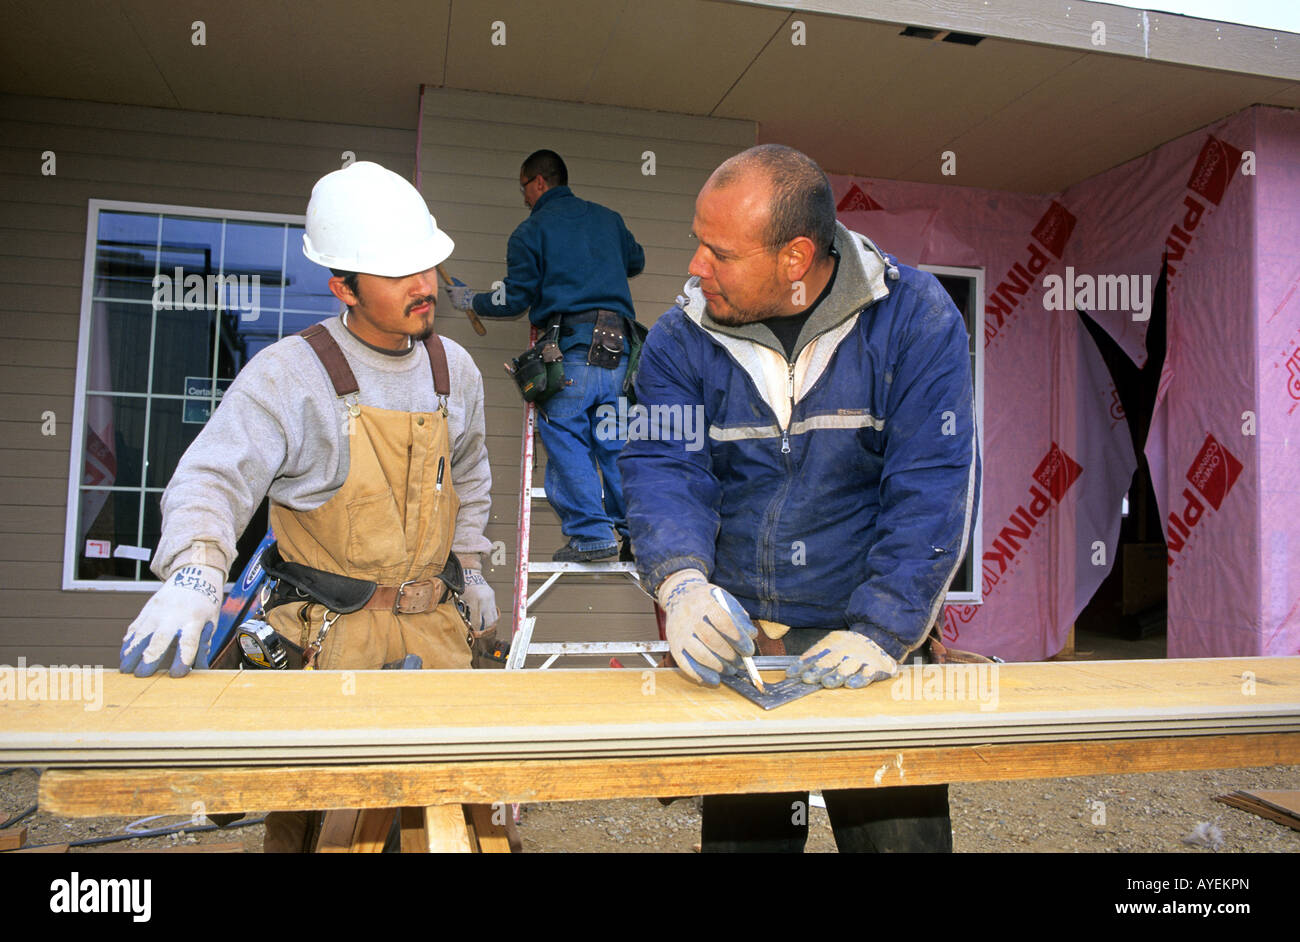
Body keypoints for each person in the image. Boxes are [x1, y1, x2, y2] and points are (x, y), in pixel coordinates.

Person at [118, 160, 499, 851]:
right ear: (342, 285)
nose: (423, 286)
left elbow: (470, 473)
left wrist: (469, 566)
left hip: (436, 635)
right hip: (329, 646)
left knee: (451, 819)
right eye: (396, 272)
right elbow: (212, 477)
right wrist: (197, 570)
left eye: (427, 266)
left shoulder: (456, 371)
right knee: (320, 824)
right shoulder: (292, 373)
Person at [619, 144, 980, 852]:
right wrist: (684, 585)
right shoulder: (676, 339)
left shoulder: (913, 319)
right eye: (699, 242)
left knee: (897, 841)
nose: (696, 266)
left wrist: (886, 628)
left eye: (719, 252)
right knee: (747, 841)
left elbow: (932, 481)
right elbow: (663, 467)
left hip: (864, 640)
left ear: (794, 258)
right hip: (744, 640)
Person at [448, 150, 645, 561]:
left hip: (571, 350)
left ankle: (593, 536)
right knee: (614, 442)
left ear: (539, 182)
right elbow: (636, 261)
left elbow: (514, 299)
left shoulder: (530, 231)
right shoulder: (608, 219)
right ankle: (636, 534)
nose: (523, 197)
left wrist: (472, 299)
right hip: (620, 352)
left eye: (523, 187)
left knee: (566, 434)